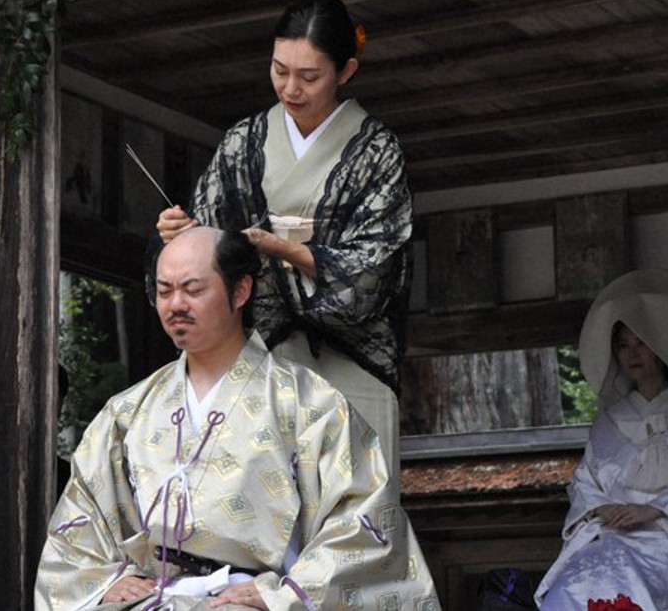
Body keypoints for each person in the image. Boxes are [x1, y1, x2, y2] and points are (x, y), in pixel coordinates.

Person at [35, 227, 438, 610]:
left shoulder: (310, 405)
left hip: (256, 598)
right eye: (164, 291)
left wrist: (286, 595)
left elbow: (362, 521)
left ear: (240, 290)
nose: (176, 305)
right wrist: (104, 579)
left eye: (193, 290)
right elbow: (78, 525)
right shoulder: (126, 413)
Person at [155, 0, 411, 481]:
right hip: (254, 358)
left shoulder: (377, 151)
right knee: (250, 513)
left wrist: (286, 251)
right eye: (279, 70)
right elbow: (211, 244)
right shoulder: (242, 142)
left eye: (309, 76)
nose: (290, 88)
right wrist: (183, 235)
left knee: (350, 512)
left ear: (346, 70)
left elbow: (377, 272)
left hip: (348, 363)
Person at [534, 269, 668, 611]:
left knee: (628, 584)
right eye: (623, 344)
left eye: (641, 342)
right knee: (574, 586)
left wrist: (652, 509)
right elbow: (585, 482)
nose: (632, 353)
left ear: (659, 347)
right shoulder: (609, 420)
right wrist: (603, 508)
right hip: (612, 536)